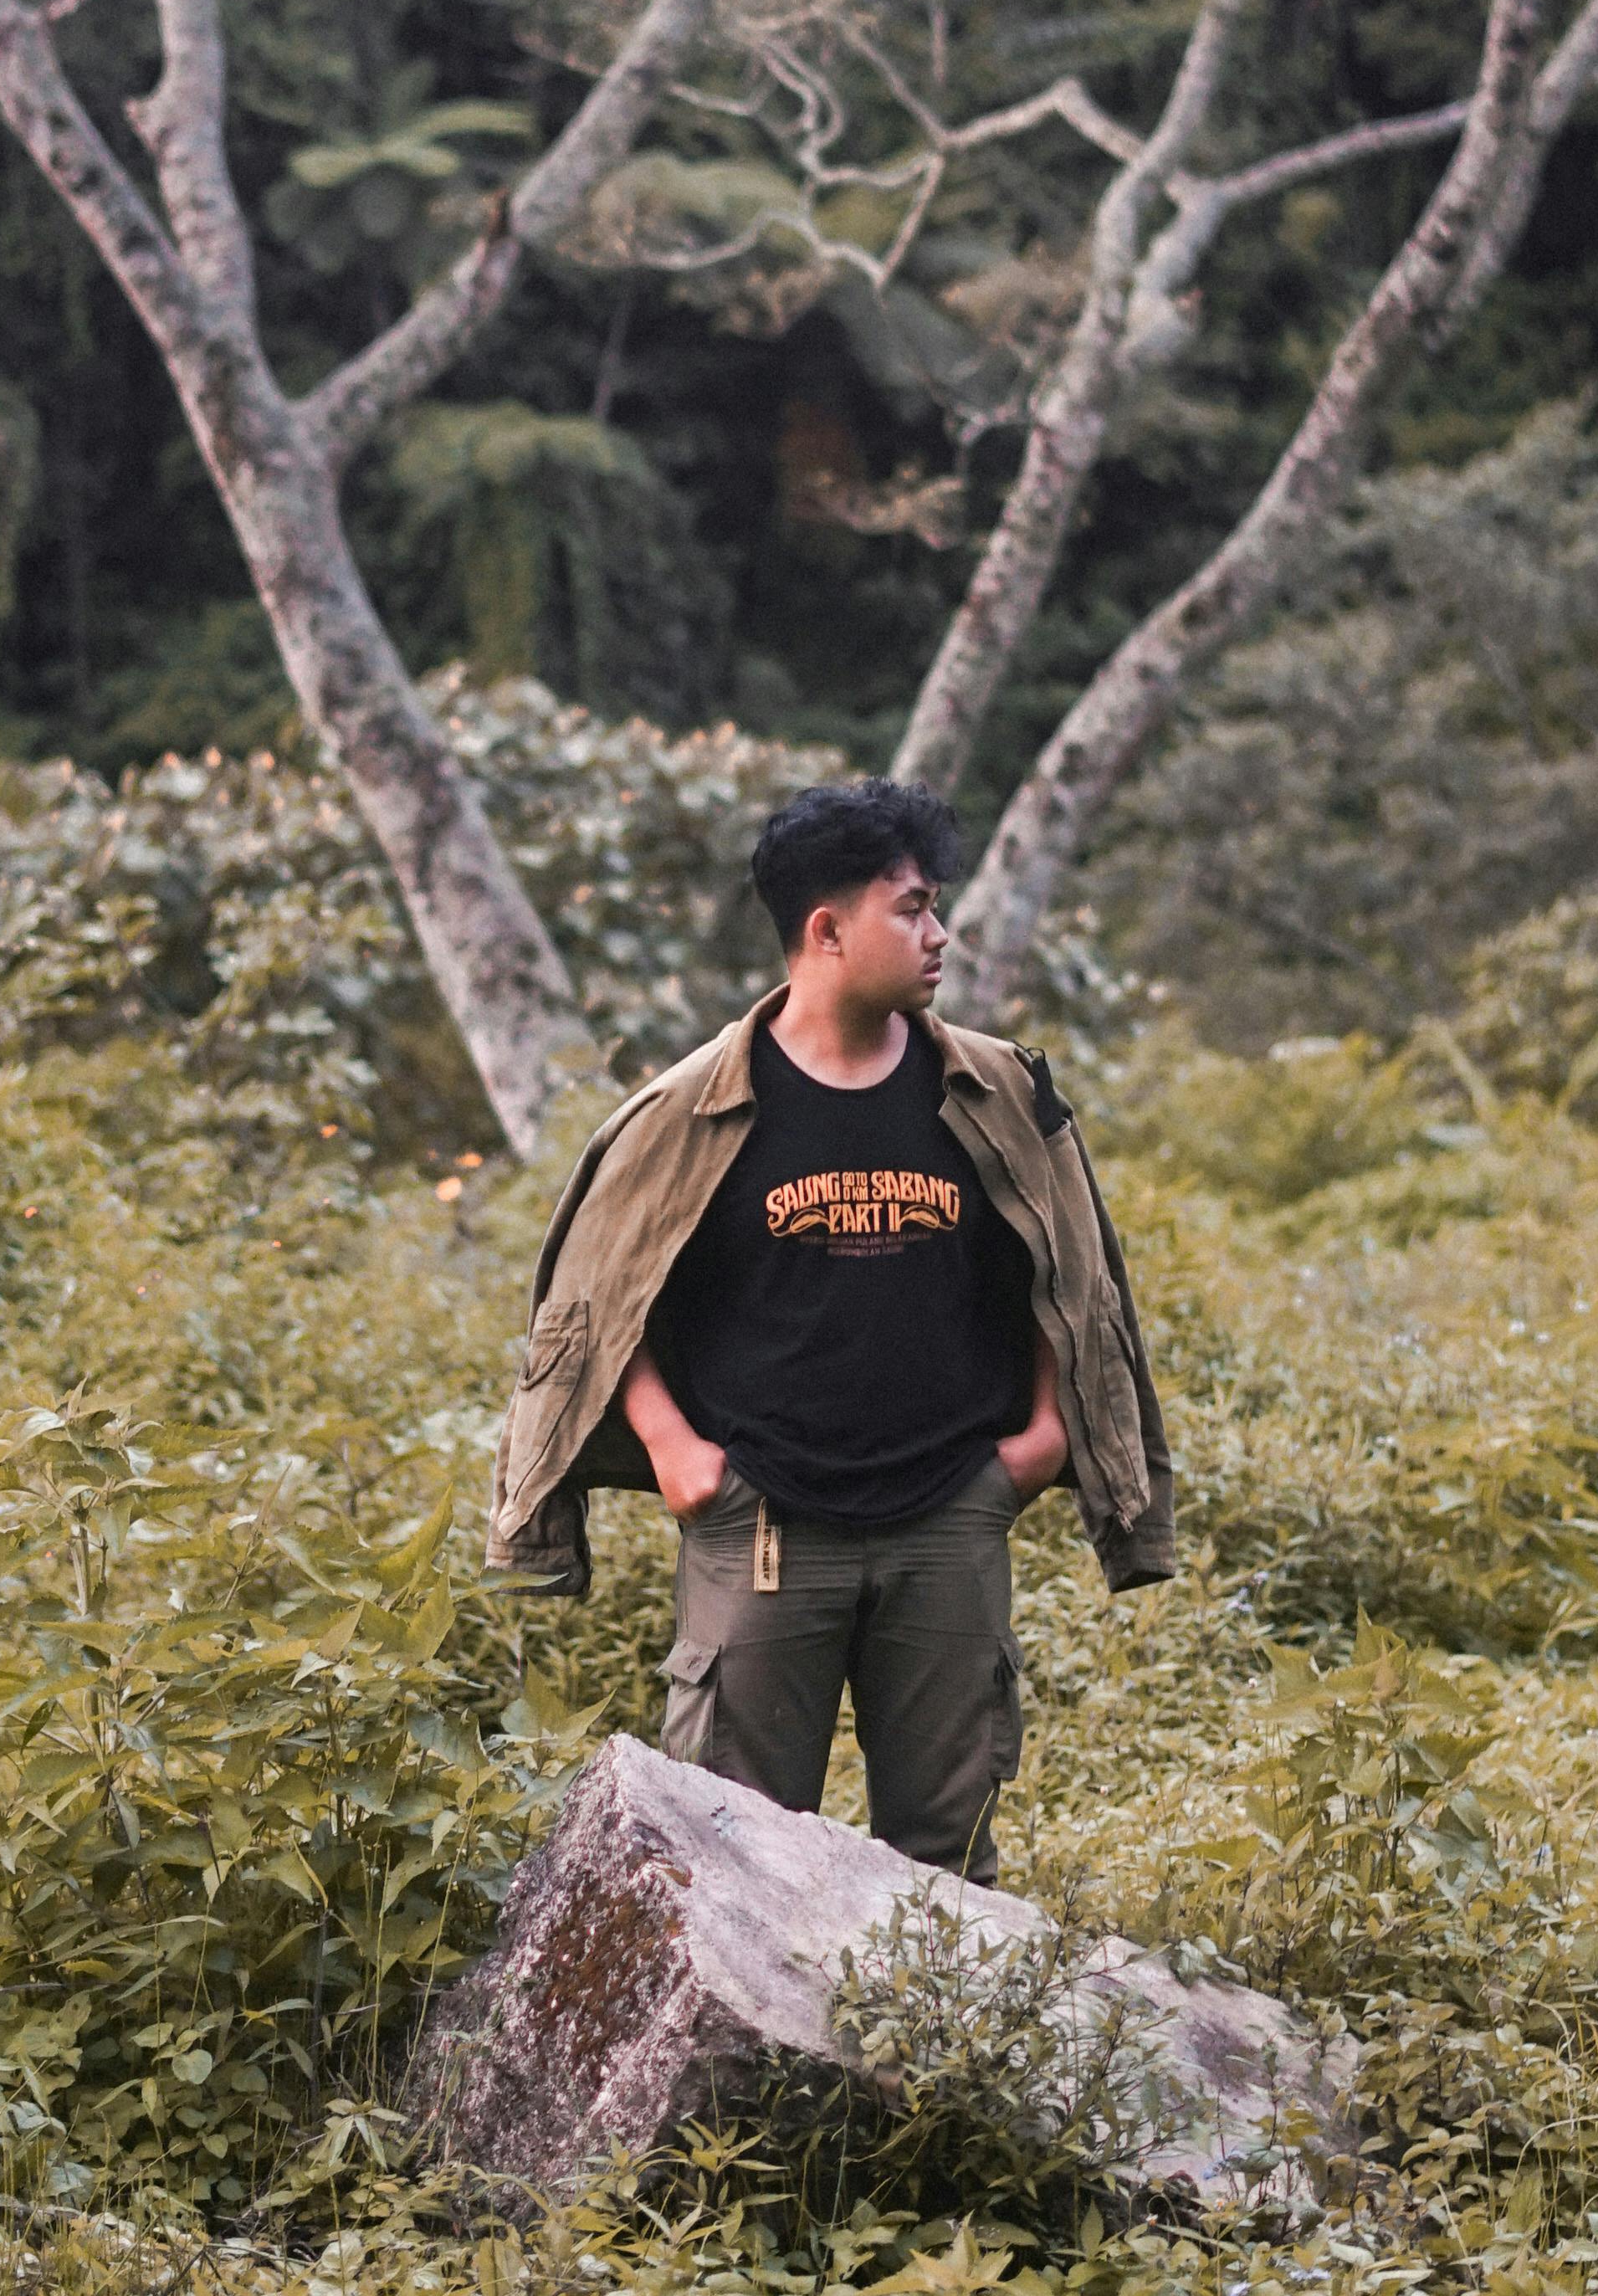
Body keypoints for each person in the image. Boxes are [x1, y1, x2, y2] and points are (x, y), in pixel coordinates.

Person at [486, 776, 1173, 1882]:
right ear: (828, 930)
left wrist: (1041, 1441)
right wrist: (672, 1446)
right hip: (760, 1521)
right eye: (911, 908)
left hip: (950, 1514)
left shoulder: (995, 1092)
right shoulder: (689, 1110)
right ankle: (731, 2066)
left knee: (947, 1868)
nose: (938, 933)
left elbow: (1064, 1275)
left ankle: (931, 2060)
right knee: (720, 1860)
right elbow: (601, 1307)